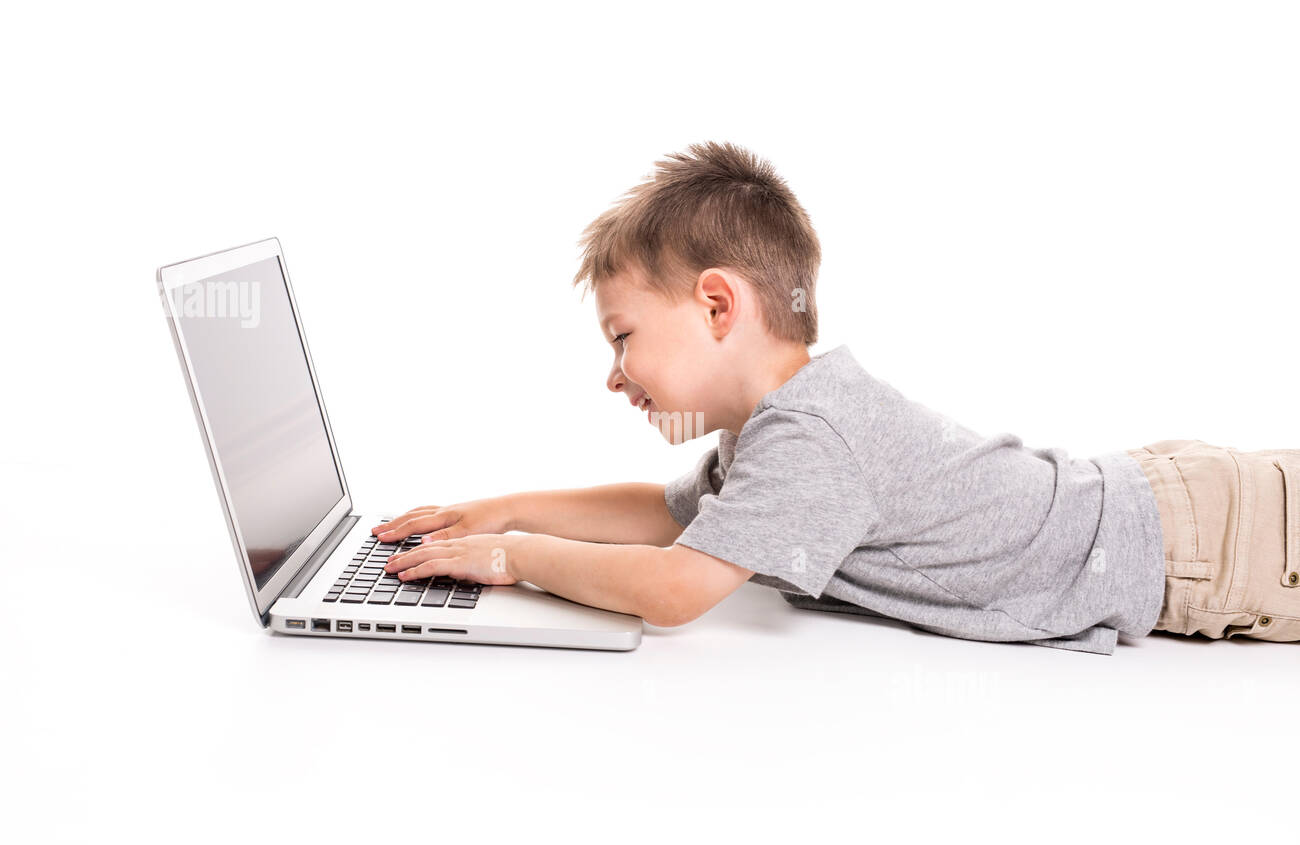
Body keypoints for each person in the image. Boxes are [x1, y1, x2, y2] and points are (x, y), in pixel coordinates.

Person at [374, 142, 1300, 654]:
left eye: (623, 338)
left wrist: (514, 556)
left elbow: (676, 586)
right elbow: (666, 517)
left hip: (1213, 543)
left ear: (716, 305)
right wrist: (494, 508)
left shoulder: (811, 437)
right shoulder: (773, 431)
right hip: (1163, 508)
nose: (614, 376)